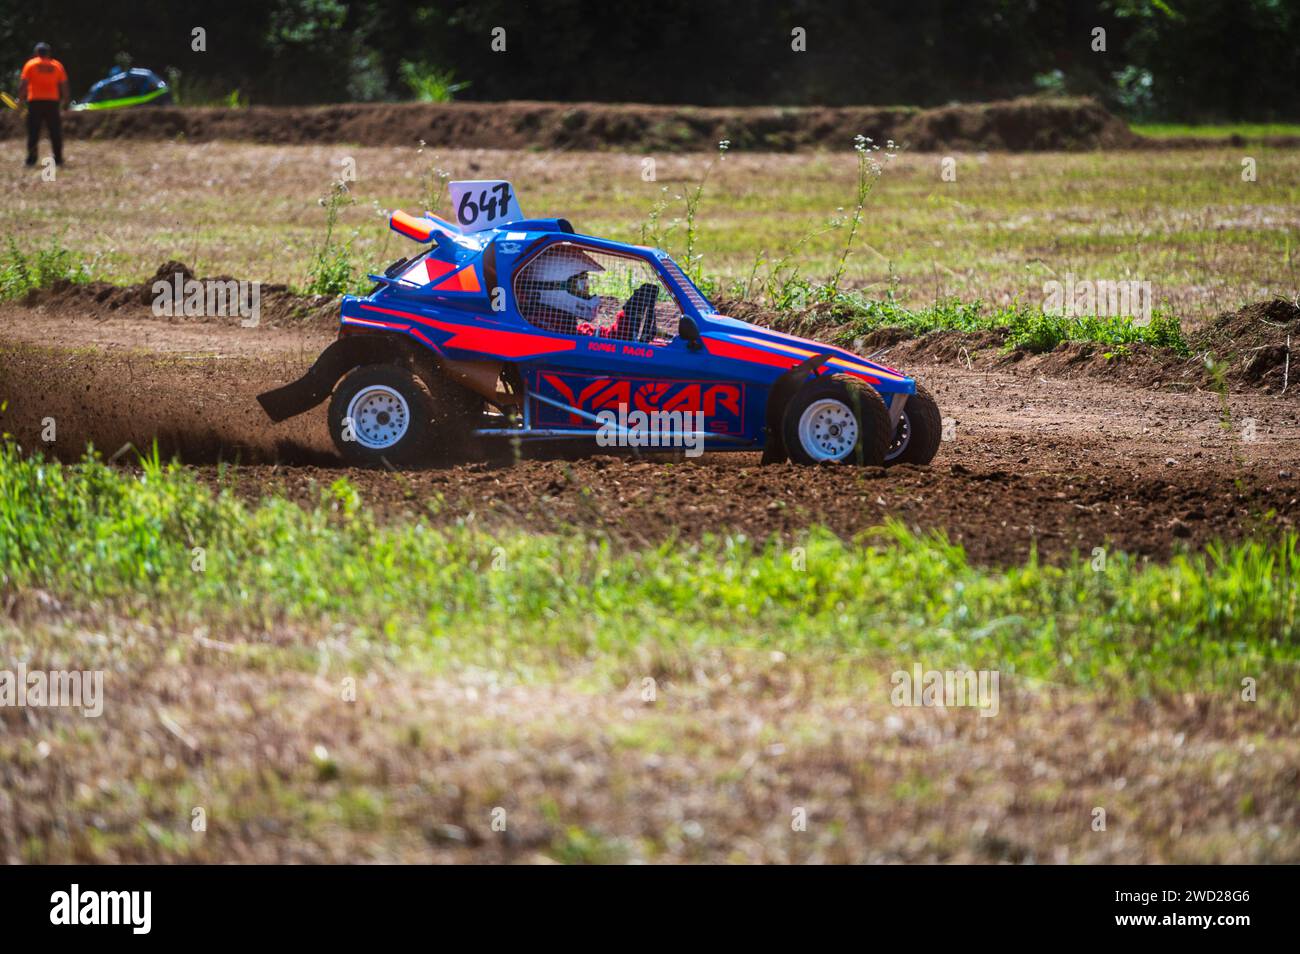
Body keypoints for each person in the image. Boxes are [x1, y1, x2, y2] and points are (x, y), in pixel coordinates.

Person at [18, 42, 69, 167]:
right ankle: (58, 159)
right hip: (52, 102)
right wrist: (66, 101)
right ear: (49, 53)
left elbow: (24, 84)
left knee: (33, 132)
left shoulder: (30, 65)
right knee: (55, 131)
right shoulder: (57, 65)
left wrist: (20, 99)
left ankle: (31, 160)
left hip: (35, 102)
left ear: (36, 53)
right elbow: (64, 85)